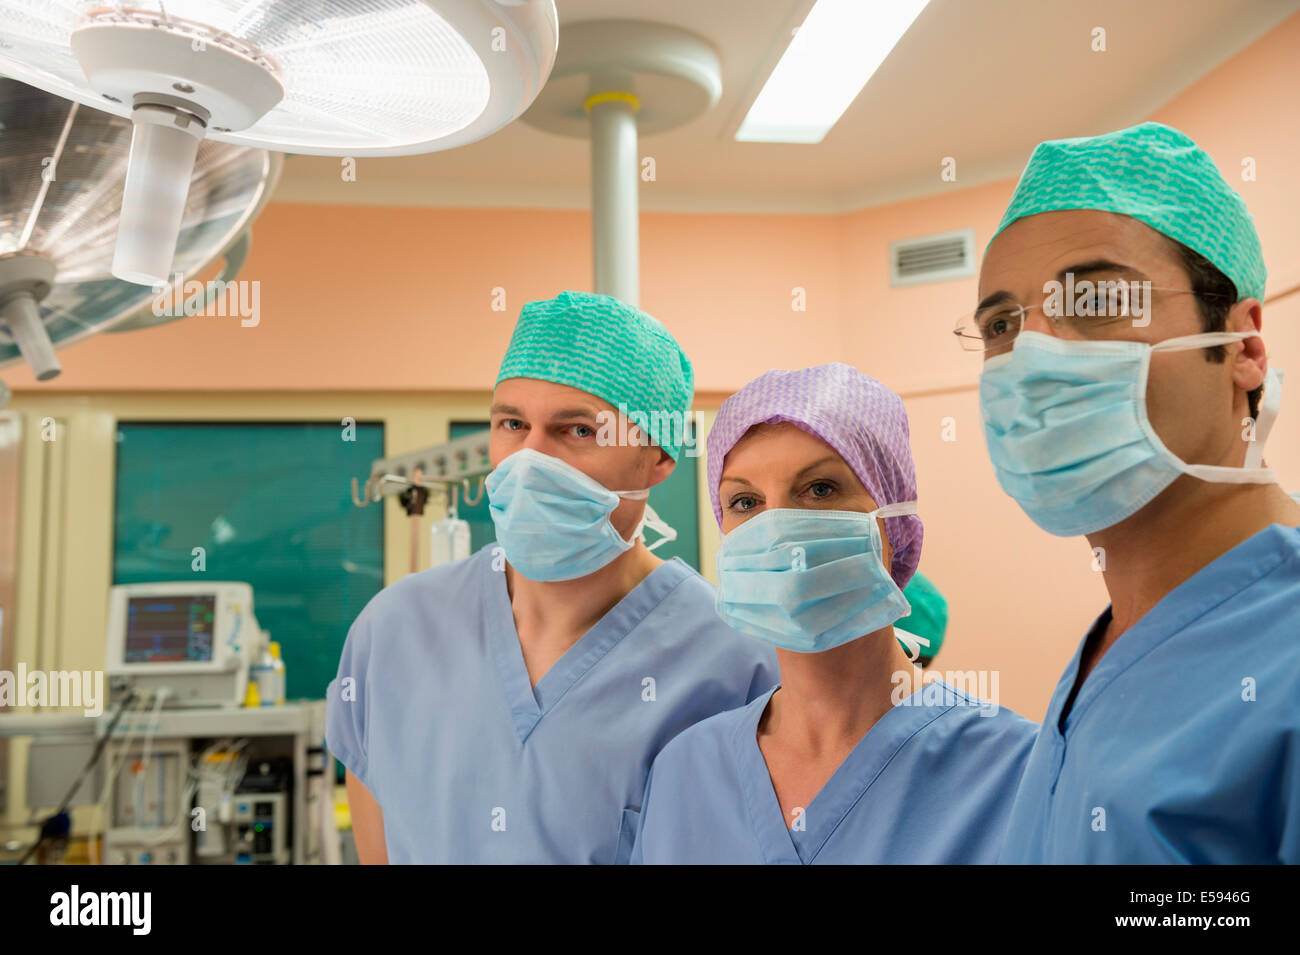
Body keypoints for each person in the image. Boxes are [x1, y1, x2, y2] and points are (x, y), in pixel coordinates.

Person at [326, 290, 777, 864]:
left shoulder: (738, 663)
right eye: (512, 423)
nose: (529, 459)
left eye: (579, 431)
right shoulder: (392, 632)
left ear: (660, 454)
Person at [963, 122, 1300, 863]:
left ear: (1244, 348)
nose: (1035, 351)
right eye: (1000, 324)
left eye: (1096, 300)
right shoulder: (1109, 652)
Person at [630, 363, 1037, 864]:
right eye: (745, 501)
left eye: (820, 489)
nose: (778, 528)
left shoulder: (1016, 772)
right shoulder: (686, 772)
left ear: (895, 523)